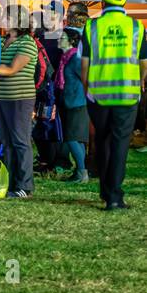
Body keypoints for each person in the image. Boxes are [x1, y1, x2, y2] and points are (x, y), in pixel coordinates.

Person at [81, 0, 147, 211]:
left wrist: (87, 89)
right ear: (123, 3)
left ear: (104, 3)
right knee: (119, 144)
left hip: (98, 94)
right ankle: (114, 197)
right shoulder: (136, 27)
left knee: (102, 140)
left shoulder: (92, 26)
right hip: (127, 95)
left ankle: (105, 190)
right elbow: (143, 64)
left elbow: (85, 65)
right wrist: (139, 82)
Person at [0, 1, 37, 200]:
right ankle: (7, 181)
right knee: (5, 142)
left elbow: (12, 69)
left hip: (18, 99)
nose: (1, 20)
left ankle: (25, 185)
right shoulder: (1, 40)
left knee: (20, 141)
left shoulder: (27, 43)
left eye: (6, 16)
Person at [56, 24, 89, 183]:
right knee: (76, 137)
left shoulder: (75, 59)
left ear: (71, 41)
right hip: (69, 101)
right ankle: (80, 170)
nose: (59, 40)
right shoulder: (65, 58)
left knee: (71, 138)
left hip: (77, 102)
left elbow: (86, 79)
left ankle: (82, 172)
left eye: (62, 38)